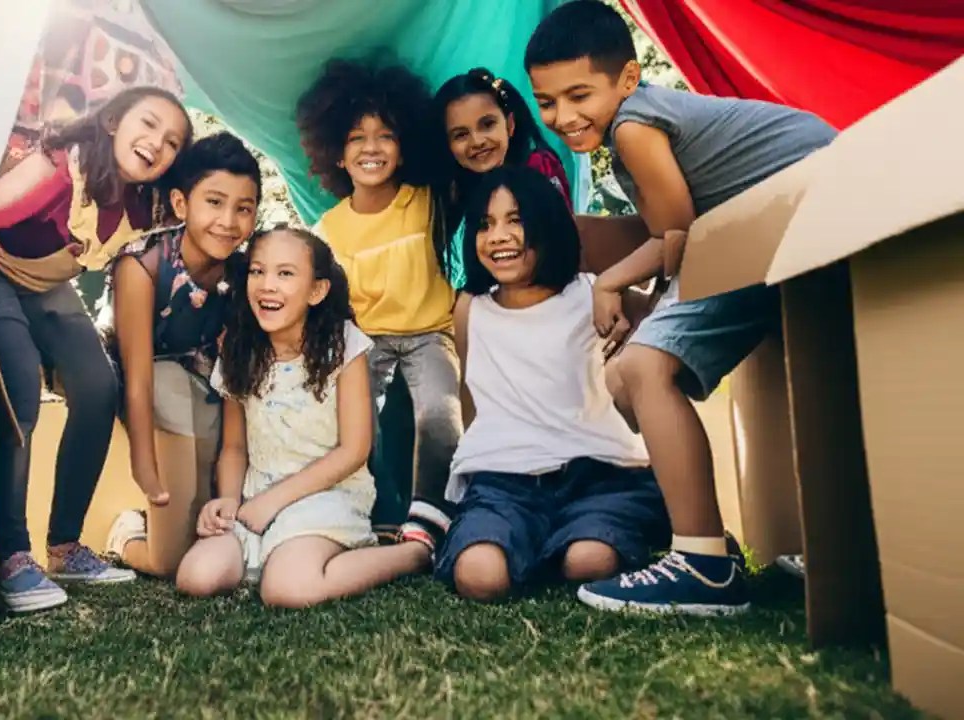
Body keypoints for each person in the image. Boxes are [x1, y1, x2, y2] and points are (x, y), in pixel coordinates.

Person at [526, 0, 835, 614]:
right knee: (626, 375)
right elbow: (666, 237)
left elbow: (677, 236)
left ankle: (703, 563)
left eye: (579, 94)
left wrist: (611, 284)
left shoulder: (634, 126)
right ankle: (825, 544)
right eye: (547, 101)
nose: (562, 116)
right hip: (773, 219)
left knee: (641, 369)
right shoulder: (638, 126)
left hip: (800, 207)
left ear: (628, 78)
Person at [0, 86, 193, 613]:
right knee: (17, 379)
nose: (157, 143)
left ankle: (64, 546)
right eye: (148, 124)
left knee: (98, 384)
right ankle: (12, 554)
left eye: (172, 142)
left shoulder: (147, 207)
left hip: (42, 285)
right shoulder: (63, 165)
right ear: (112, 121)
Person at [440, 166, 671, 602]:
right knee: (479, 577)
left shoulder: (592, 293)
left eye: (516, 220)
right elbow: (474, 393)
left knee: (588, 562)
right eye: (485, 225)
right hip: (504, 481)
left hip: (597, 472)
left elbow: (666, 314)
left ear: (546, 224)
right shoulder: (471, 308)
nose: (499, 236)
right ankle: (524, 540)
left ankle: (571, 539)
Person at [174, 226, 433, 606]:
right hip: (255, 498)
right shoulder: (238, 348)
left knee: (288, 589)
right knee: (197, 577)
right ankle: (275, 552)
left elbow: (354, 450)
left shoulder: (343, 345)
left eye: (285, 274)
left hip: (326, 497)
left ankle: (410, 554)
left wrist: (272, 502)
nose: (267, 285)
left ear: (317, 290)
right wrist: (229, 500)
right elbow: (233, 447)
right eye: (257, 271)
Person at [295, 58, 462, 545]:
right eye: (356, 138)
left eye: (386, 134)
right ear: (337, 155)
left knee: (439, 413)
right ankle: (378, 512)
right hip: (363, 341)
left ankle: (431, 513)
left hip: (430, 333)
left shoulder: (426, 199)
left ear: (404, 146)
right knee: (354, 421)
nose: (372, 147)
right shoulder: (328, 228)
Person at [105, 132, 262, 579]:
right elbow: (137, 376)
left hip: (206, 387)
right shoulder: (143, 264)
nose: (228, 221)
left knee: (209, 536)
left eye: (243, 208)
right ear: (180, 203)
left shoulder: (243, 271)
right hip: (144, 379)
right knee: (171, 562)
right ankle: (126, 536)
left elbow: (235, 367)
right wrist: (145, 467)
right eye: (214, 202)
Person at [434, 66, 571, 214]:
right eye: (460, 135)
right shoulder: (456, 190)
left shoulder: (538, 168)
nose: (477, 141)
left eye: (488, 124)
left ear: (510, 124)